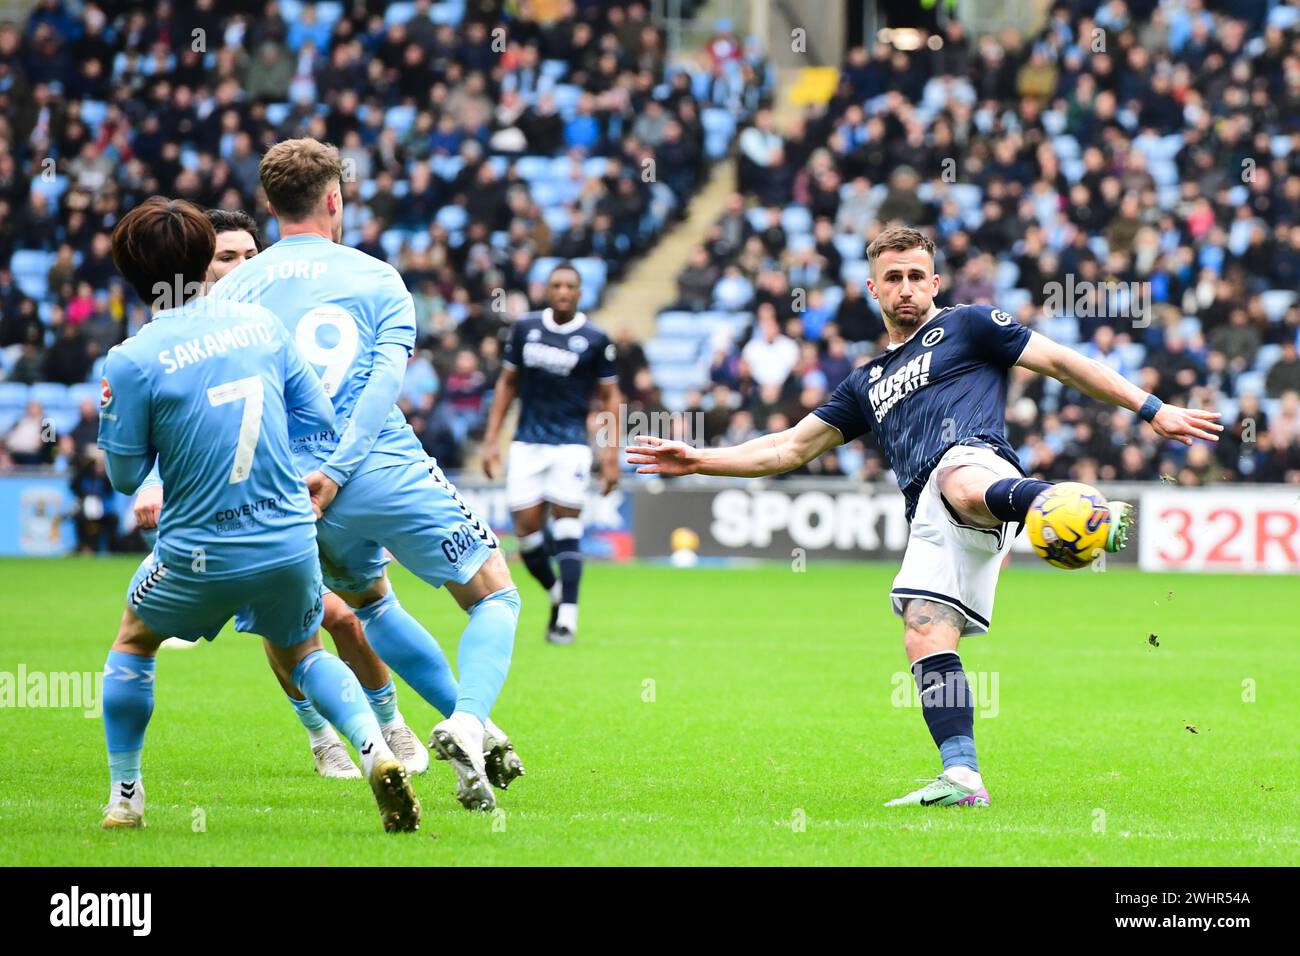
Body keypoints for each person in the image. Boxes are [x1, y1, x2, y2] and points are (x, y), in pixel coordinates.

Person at [627, 225, 1222, 807]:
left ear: (935, 282)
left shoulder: (968, 324)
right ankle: (962, 777)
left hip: (977, 470)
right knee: (923, 632)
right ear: (873, 289)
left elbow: (1062, 362)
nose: (906, 287)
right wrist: (701, 458)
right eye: (894, 278)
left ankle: (1064, 504)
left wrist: (1151, 407)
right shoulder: (865, 382)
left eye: (916, 276)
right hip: (933, 520)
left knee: (957, 479)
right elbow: (789, 447)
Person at [210, 139, 522, 812]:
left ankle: (468, 733)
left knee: (372, 603)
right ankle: (468, 721)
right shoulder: (378, 278)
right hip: (373, 469)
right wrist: (339, 466)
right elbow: (383, 385)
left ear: (268, 208)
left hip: (284, 493)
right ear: (333, 199)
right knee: (495, 594)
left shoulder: (232, 290)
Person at [97, 197, 419, 832]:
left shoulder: (132, 359)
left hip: (198, 549)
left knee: (133, 643)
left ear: (132, 274)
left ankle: (126, 797)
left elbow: (126, 476)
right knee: (305, 650)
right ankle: (375, 746)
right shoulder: (262, 328)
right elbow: (319, 418)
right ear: (203, 260)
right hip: (287, 537)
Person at [481, 263, 621, 645]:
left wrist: (610, 455)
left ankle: (567, 620)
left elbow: (610, 396)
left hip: (571, 446)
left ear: (579, 292)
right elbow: (507, 384)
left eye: (570, 286)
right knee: (527, 535)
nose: (562, 291)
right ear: (547, 290)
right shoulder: (525, 329)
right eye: (556, 285)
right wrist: (492, 439)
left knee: (567, 527)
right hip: (526, 443)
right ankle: (557, 593)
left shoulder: (595, 338)